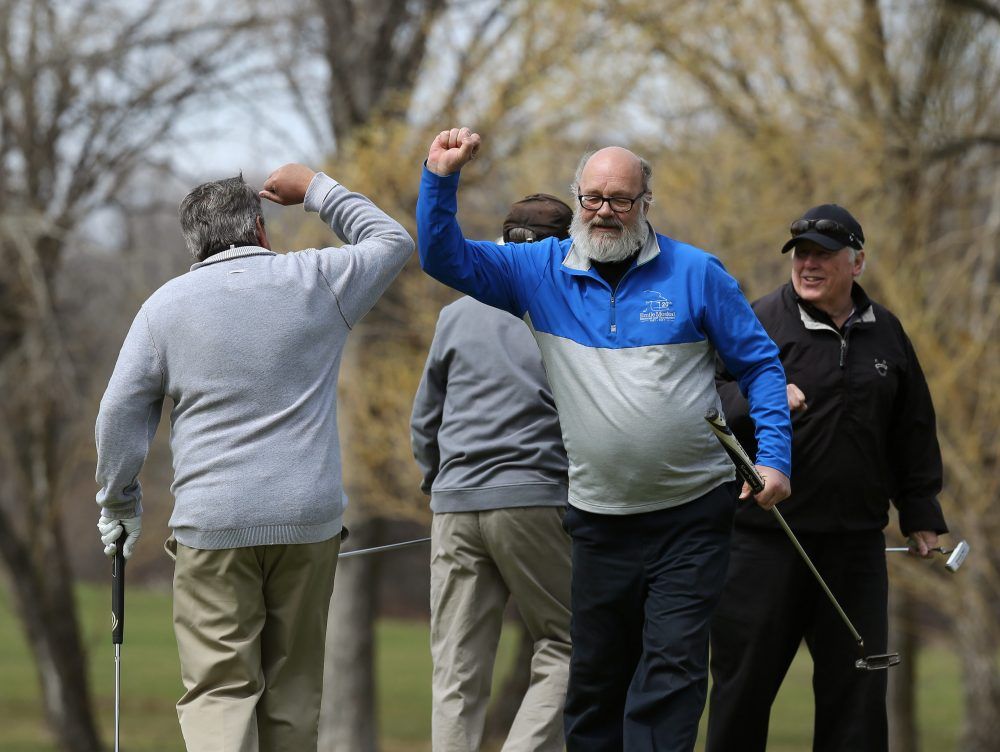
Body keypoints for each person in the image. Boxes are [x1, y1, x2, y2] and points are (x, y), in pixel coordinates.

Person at [415, 127, 792, 752]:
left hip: (691, 512)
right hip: (598, 516)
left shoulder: (697, 273)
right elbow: (442, 257)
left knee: (669, 675)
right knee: (593, 685)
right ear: (576, 200)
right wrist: (440, 179)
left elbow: (761, 365)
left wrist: (774, 458)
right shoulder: (539, 272)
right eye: (592, 198)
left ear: (647, 203)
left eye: (620, 199)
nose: (604, 212)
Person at [94, 164, 413, 752]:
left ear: (195, 244)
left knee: (220, 692)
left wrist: (119, 500)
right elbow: (392, 241)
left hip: (213, 527)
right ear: (261, 231)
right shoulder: (317, 279)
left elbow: (118, 413)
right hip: (307, 521)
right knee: (292, 697)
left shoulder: (165, 307)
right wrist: (318, 189)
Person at [706, 204, 948, 752]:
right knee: (742, 692)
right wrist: (760, 397)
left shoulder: (887, 332)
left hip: (856, 547)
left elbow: (912, 429)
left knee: (858, 700)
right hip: (764, 542)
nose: (808, 265)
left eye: (823, 254)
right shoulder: (759, 320)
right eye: (801, 254)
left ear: (857, 261)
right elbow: (709, 398)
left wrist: (922, 513)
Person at [411, 192, 574, 752]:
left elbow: (424, 420)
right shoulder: (567, 310)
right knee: (572, 643)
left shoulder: (455, 313)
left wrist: (438, 482)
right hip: (537, 496)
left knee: (456, 665)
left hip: (455, 503)